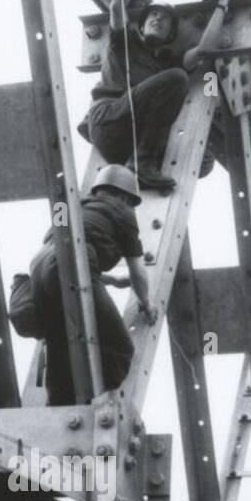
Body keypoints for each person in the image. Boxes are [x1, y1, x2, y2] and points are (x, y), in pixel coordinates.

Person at [79, 0, 237, 193]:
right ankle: (143, 165)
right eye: (152, 15)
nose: (157, 19)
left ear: (169, 35)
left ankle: (143, 163)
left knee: (204, 161)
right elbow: (117, 6)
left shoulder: (165, 65)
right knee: (177, 78)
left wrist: (223, 2)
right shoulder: (125, 42)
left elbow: (205, 49)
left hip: (126, 143)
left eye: (164, 19)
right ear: (141, 26)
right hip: (108, 121)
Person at [29, 163, 152, 406]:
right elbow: (138, 271)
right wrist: (145, 303)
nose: (129, 206)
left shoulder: (77, 208)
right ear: (122, 195)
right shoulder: (122, 212)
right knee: (119, 347)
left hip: (39, 269)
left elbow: (63, 253)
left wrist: (111, 280)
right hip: (72, 266)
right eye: (129, 200)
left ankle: (60, 411)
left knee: (60, 346)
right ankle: (94, 405)